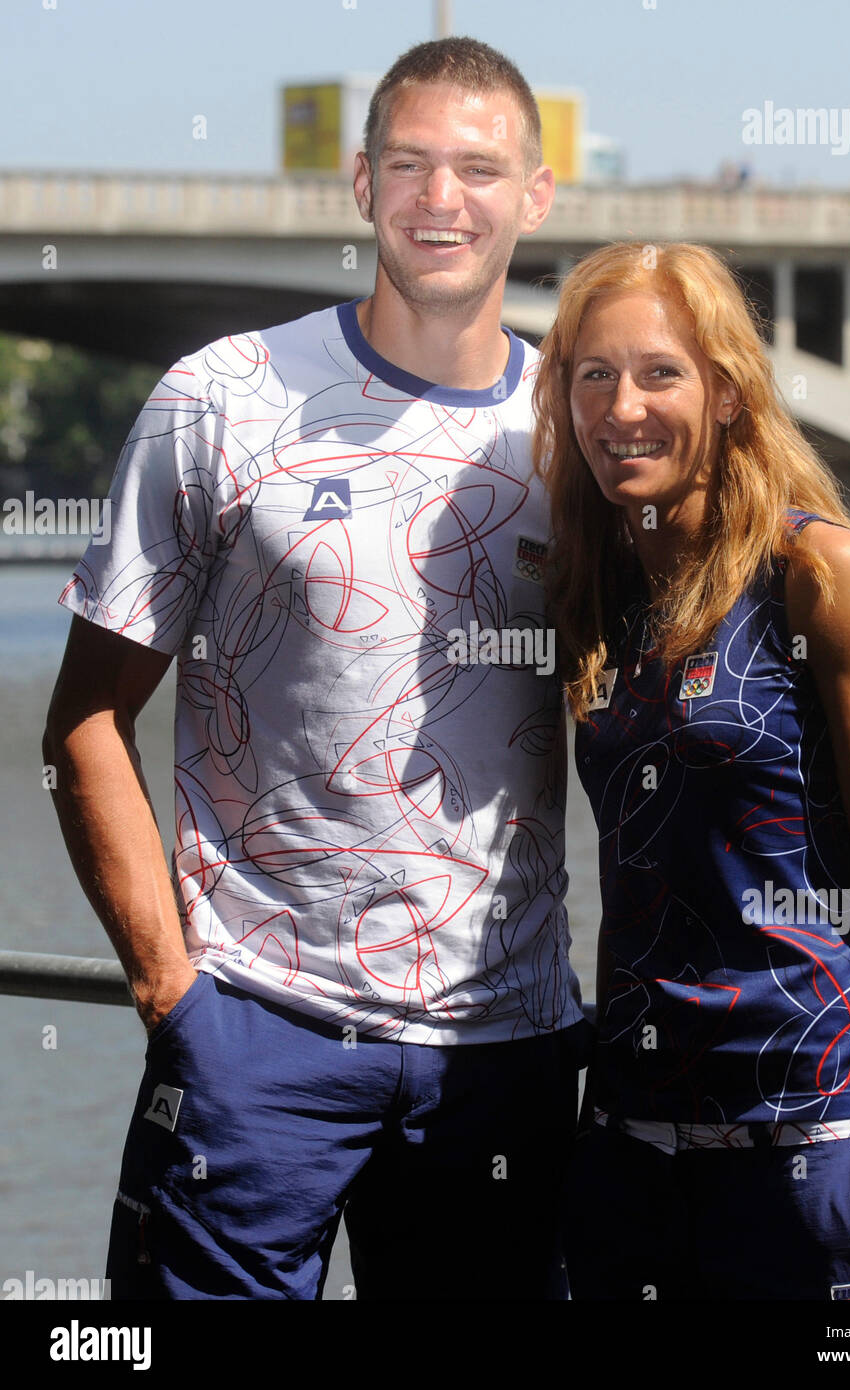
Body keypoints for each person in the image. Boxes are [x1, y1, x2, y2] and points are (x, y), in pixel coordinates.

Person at [43, 36, 588, 1302]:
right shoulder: (221, 400)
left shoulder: (581, 431)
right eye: (408, 164)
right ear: (360, 184)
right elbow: (84, 723)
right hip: (254, 1036)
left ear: (537, 195)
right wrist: (175, 998)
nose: (440, 198)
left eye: (477, 167)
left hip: (500, 1059)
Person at [532, 241, 850, 1300]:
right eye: (594, 375)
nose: (622, 405)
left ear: (725, 391)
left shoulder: (824, 580)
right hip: (629, 1148)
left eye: (659, 373)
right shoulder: (601, 593)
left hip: (811, 1153)